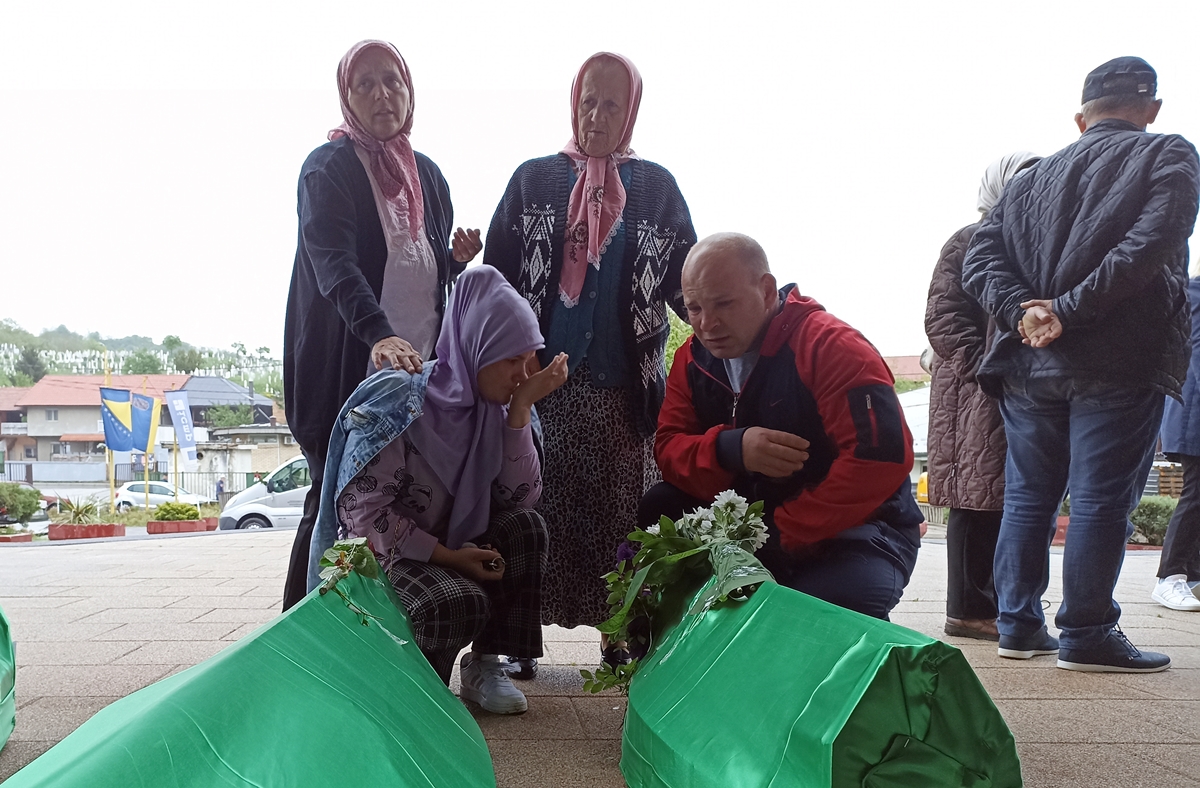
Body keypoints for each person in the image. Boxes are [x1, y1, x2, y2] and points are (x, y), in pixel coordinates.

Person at [962, 57, 1200, 672]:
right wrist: (1069, 309)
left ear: (1080, 118)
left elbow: (979, 258)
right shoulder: (1167, 153)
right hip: (1120, 356)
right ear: (1150, 110)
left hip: (1028, 364)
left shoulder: (1028, 181)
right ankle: (1087, 633)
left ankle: (1016, 625)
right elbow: (1151, 243)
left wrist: (1024, 314)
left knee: (1028, 497)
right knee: (1100, 499)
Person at [484, 53, 696, 667]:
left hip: (621, 395)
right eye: (588, 102)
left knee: (617, 523)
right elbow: (495, 278)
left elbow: (686, 286)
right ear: (573, 104)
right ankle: (518, 642)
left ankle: (619, 634)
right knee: (530, 512)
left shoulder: (657, 188)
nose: (597, 115)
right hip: (538, 390)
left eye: (611, 104)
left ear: (630, 110)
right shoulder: (533, 179)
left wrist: (725, 324)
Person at [307, 266, 568, 714]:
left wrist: (521, 411)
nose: (522, 375)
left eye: (529, 360)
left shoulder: (503, 409)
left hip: (453, 544)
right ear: (475, 345)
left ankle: (486, 665)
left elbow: (521, 498)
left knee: (527, 528)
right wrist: (449, 557)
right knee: (455, 601)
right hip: (389, 558)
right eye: (510, 359)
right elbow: (362, 518)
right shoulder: (401, 400)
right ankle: (411, 682)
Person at [281, 40, 482, 611]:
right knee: (331, 502)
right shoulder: (329, 169)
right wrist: (378, 333)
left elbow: (418, 269)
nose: (381, 94)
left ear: (410, 90)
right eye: (365, 84)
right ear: (346, 97)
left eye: (392, 81)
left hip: (418, 375)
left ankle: (389, 637)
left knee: (401, 506)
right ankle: (300, 633)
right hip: (346, 370)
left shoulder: (428, 175)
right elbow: (335, 264)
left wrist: (455, 261)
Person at [642, 233, 923, 620]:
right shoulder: (692, 359)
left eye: (724, 304)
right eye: (693, 308)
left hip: (855, 532)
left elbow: (879, 462)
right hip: (751, 526)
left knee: (806, 617)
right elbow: (669, 447)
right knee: (659, 506)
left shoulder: (832, 346)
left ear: (767, 289)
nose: (707, 324)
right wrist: (730, 448)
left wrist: (780, 532)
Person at [925, 152, 1040, 641]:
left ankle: (998, 605)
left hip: (1018, 388)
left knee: (1007, 494)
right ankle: (969, 609)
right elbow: (943, 317)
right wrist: (986, 370)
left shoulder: (1037, 242)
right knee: (977, 496)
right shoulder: (969, 240)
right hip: (974, 392)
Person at [1153, 274, 1200, 612]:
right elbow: (1194, 350)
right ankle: (1170, 577)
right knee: (1196, 493)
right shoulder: (1196, 290)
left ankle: (1192, 576)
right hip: (1195, 413)